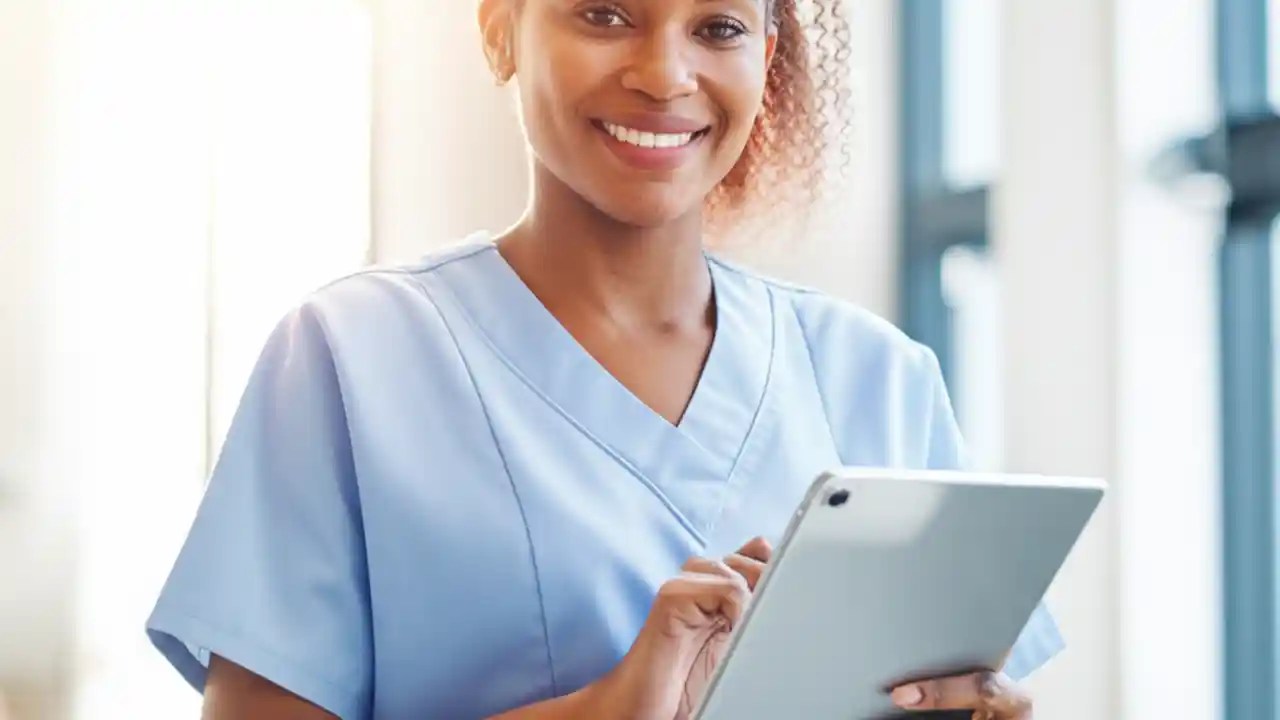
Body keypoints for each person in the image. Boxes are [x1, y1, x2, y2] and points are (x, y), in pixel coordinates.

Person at [147, 0, 1063, 717]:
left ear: (766, 61)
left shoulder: (879, 378)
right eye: (604, 14)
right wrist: (605, 711)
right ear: (500, 31)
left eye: (719, 28)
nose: (666, 74)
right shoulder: (351, 360)